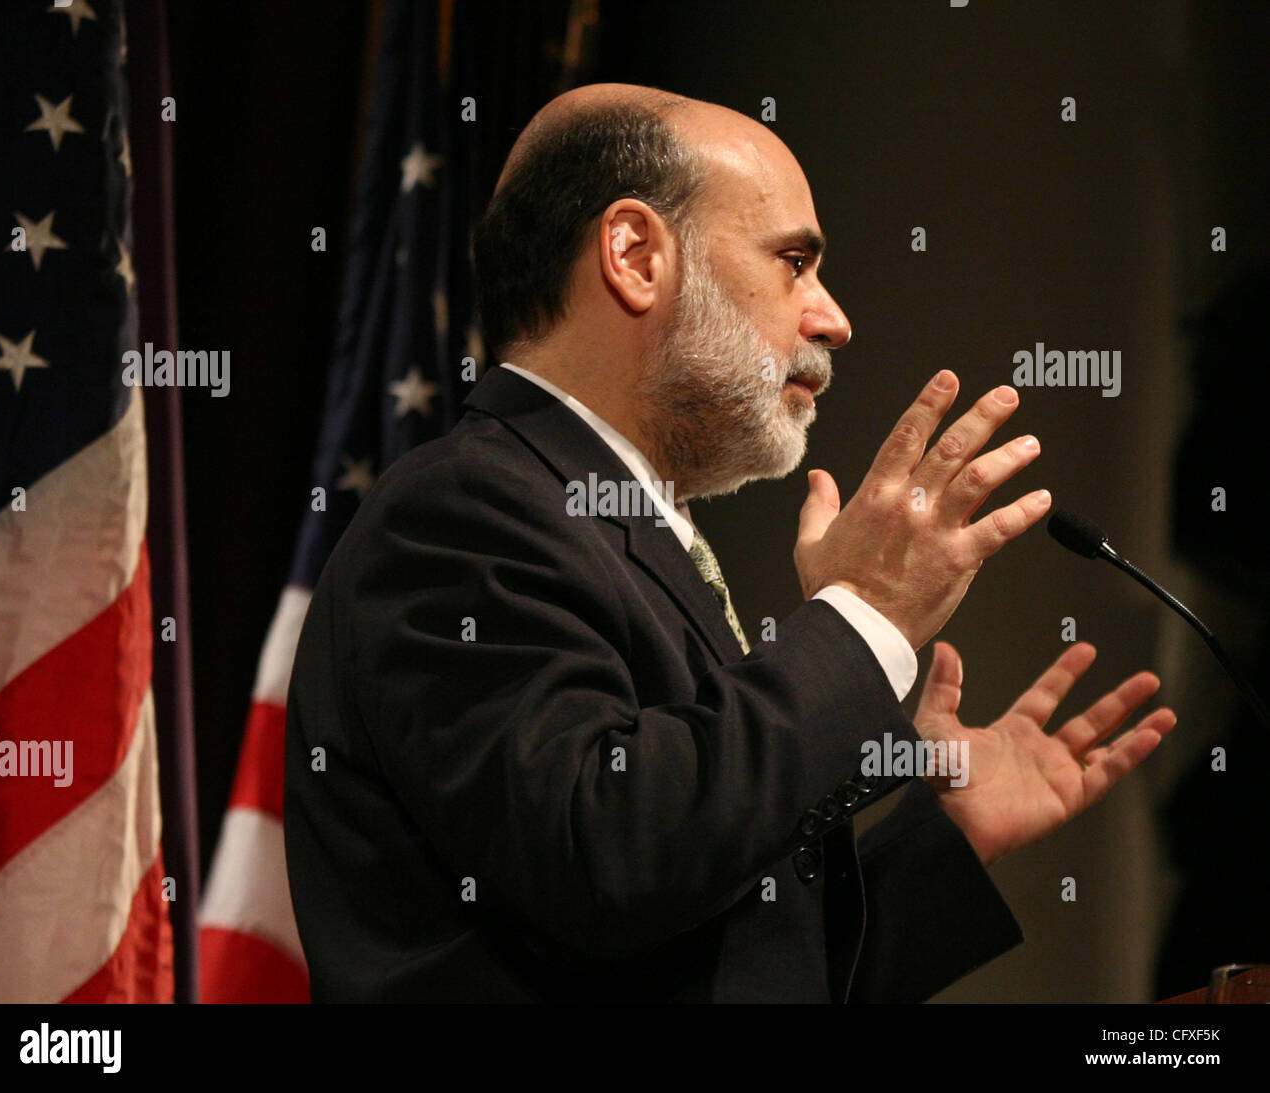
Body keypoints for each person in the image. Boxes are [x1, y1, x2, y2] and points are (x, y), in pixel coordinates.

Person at [284, 83, 1177, 1002]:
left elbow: (722, 965)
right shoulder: (461, 512)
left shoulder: (613, 522)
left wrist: (942, 841)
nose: (834, 318)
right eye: (794, 262)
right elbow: (612, 855)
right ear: (635, 256)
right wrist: (861, 618)